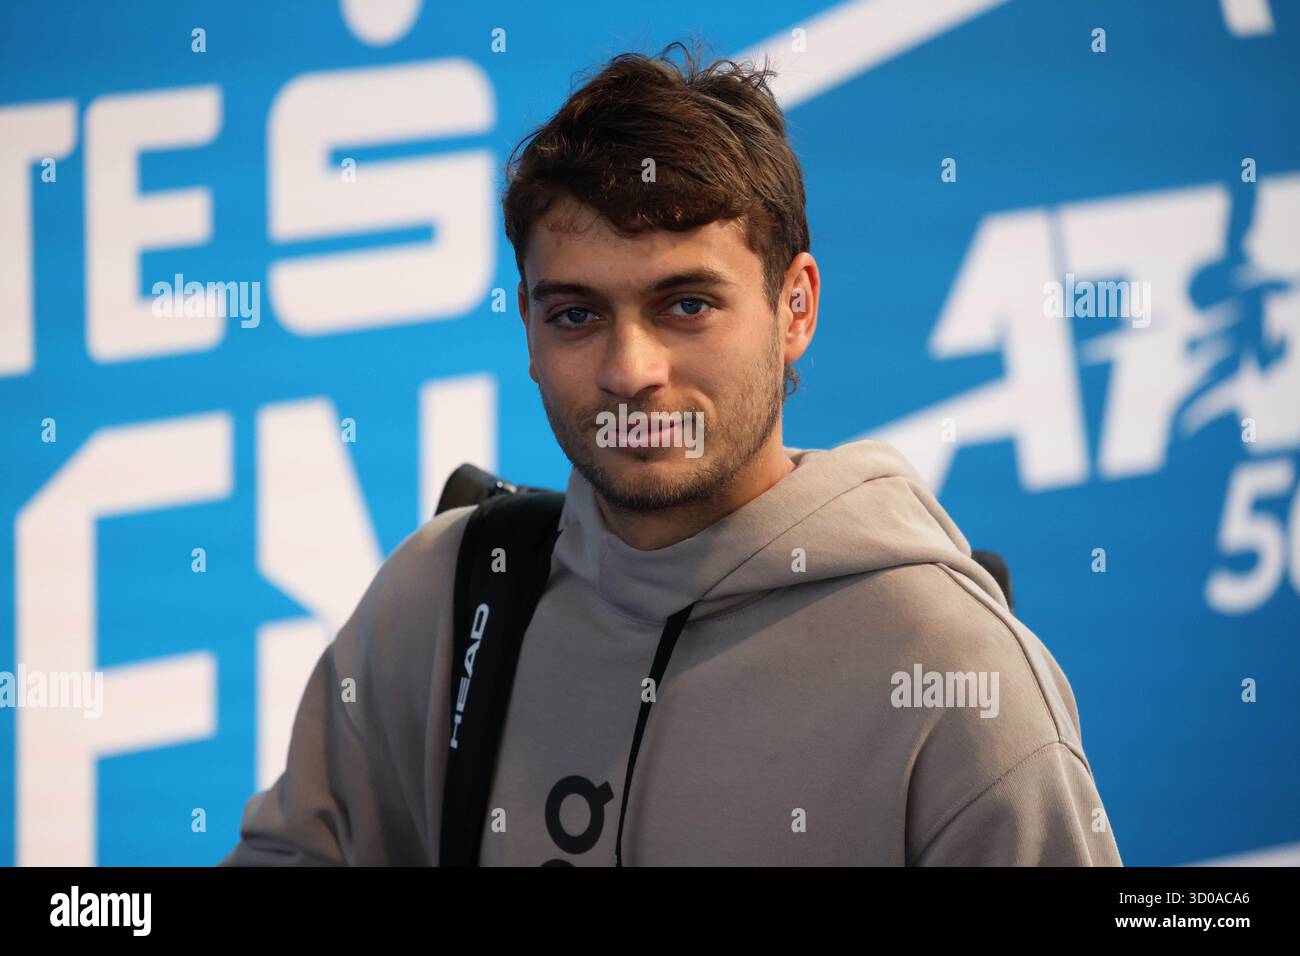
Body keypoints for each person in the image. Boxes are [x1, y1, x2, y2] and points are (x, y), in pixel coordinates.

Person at [221, 41, 1123, 866]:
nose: (629, 371)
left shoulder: (957, 676)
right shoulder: (449, 595)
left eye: (685, 304)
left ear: (795, 307)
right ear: (528, 332)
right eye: (576, 314)